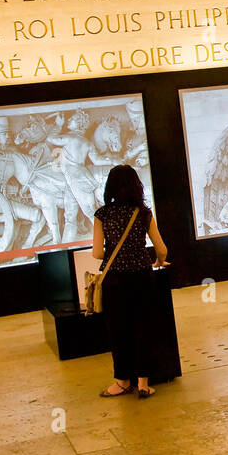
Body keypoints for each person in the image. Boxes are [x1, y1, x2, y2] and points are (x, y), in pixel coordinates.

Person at [92, 164, 168, 398]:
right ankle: (144, 383)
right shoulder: (143, 213)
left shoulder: (102, 214)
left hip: (114, 280)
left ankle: (122, 382)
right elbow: (162, 249)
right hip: (142, 278)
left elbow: (96, 252)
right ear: (136, 185)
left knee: (119, 331)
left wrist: (118, 254)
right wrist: (156, 262)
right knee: (143, 328)